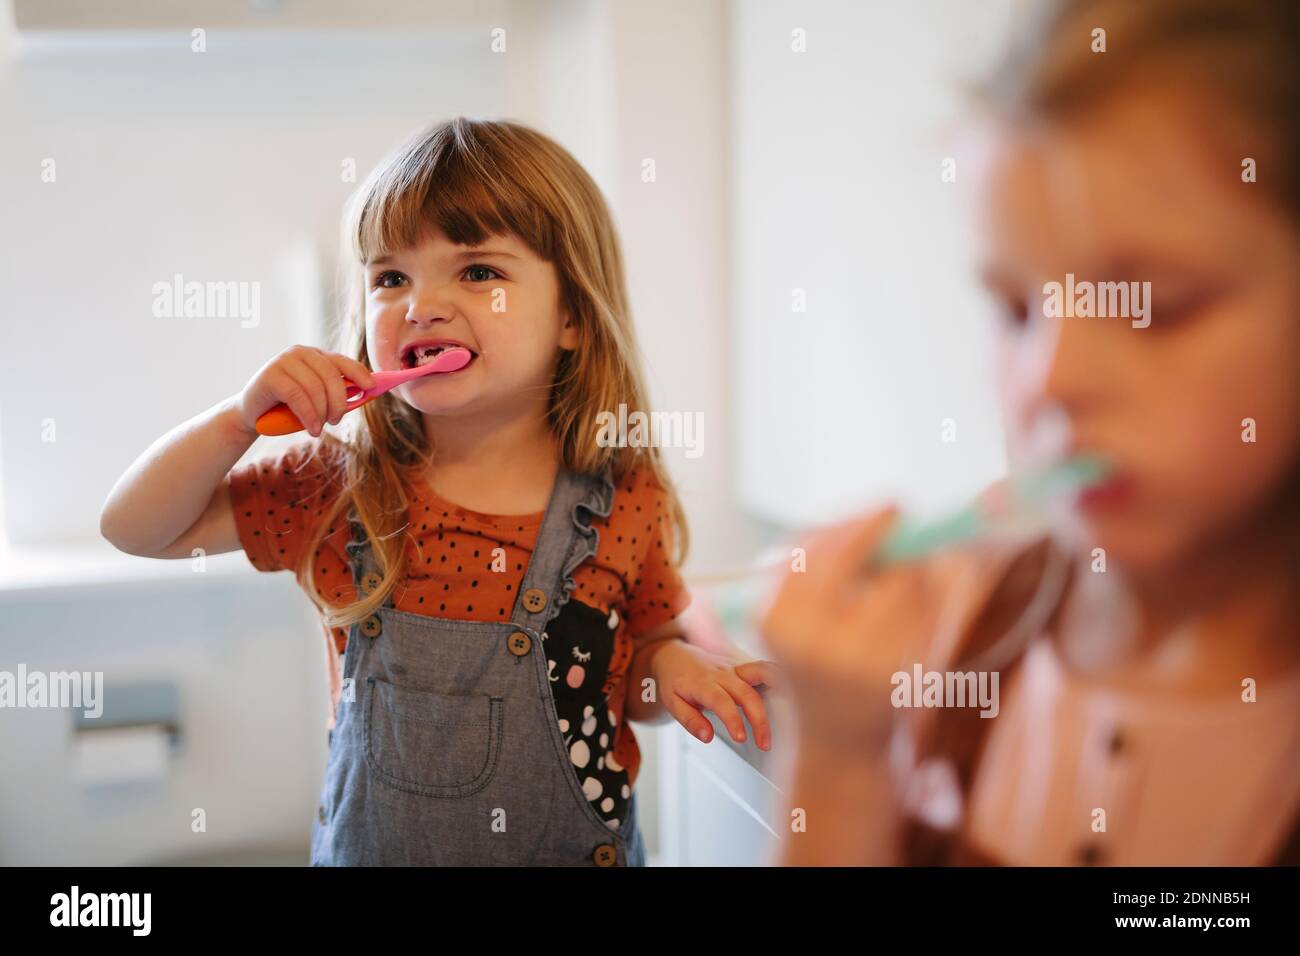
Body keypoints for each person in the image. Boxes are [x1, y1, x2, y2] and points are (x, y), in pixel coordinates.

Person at [102, 117, 776, 866]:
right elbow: (136, 529)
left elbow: (639, 662)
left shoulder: (622, 499)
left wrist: (673, 673)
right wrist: (238, 421)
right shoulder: (333, 490)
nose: (420, 304)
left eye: (478, 271)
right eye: (391, 277)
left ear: (573, 317)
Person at [760, 0, 1300, 866]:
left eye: (1153, 307)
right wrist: (834, 760)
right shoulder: (961, 622)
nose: (1050, 381)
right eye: (1017, 310)